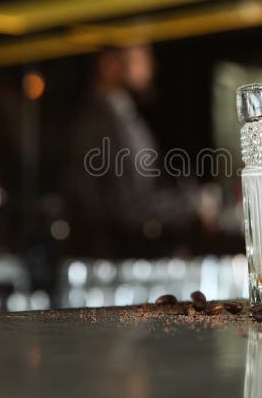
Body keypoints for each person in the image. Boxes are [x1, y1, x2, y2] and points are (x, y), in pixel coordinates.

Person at [66, 45, 205, 258]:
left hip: (134, 247)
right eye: (140, 57)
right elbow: (122, 206)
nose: (151, 66)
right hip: (117, 255)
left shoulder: (123, 113)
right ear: (109, 65)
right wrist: (188, 205)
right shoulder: (94, 122)